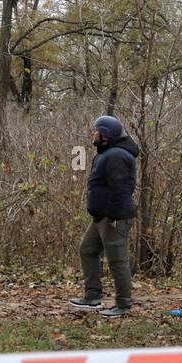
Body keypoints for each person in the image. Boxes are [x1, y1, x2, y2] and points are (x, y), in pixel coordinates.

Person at [70, 115, 138, 317]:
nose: (93, 133)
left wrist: (114, 216)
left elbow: (122, 188)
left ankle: (123, 305)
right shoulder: (107, 153)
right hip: (101, 217)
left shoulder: (116, 156)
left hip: (113, 218)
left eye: (96, 131)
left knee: (117, 261)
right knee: (87, 250)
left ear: (105, 135)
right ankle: (92, 296)